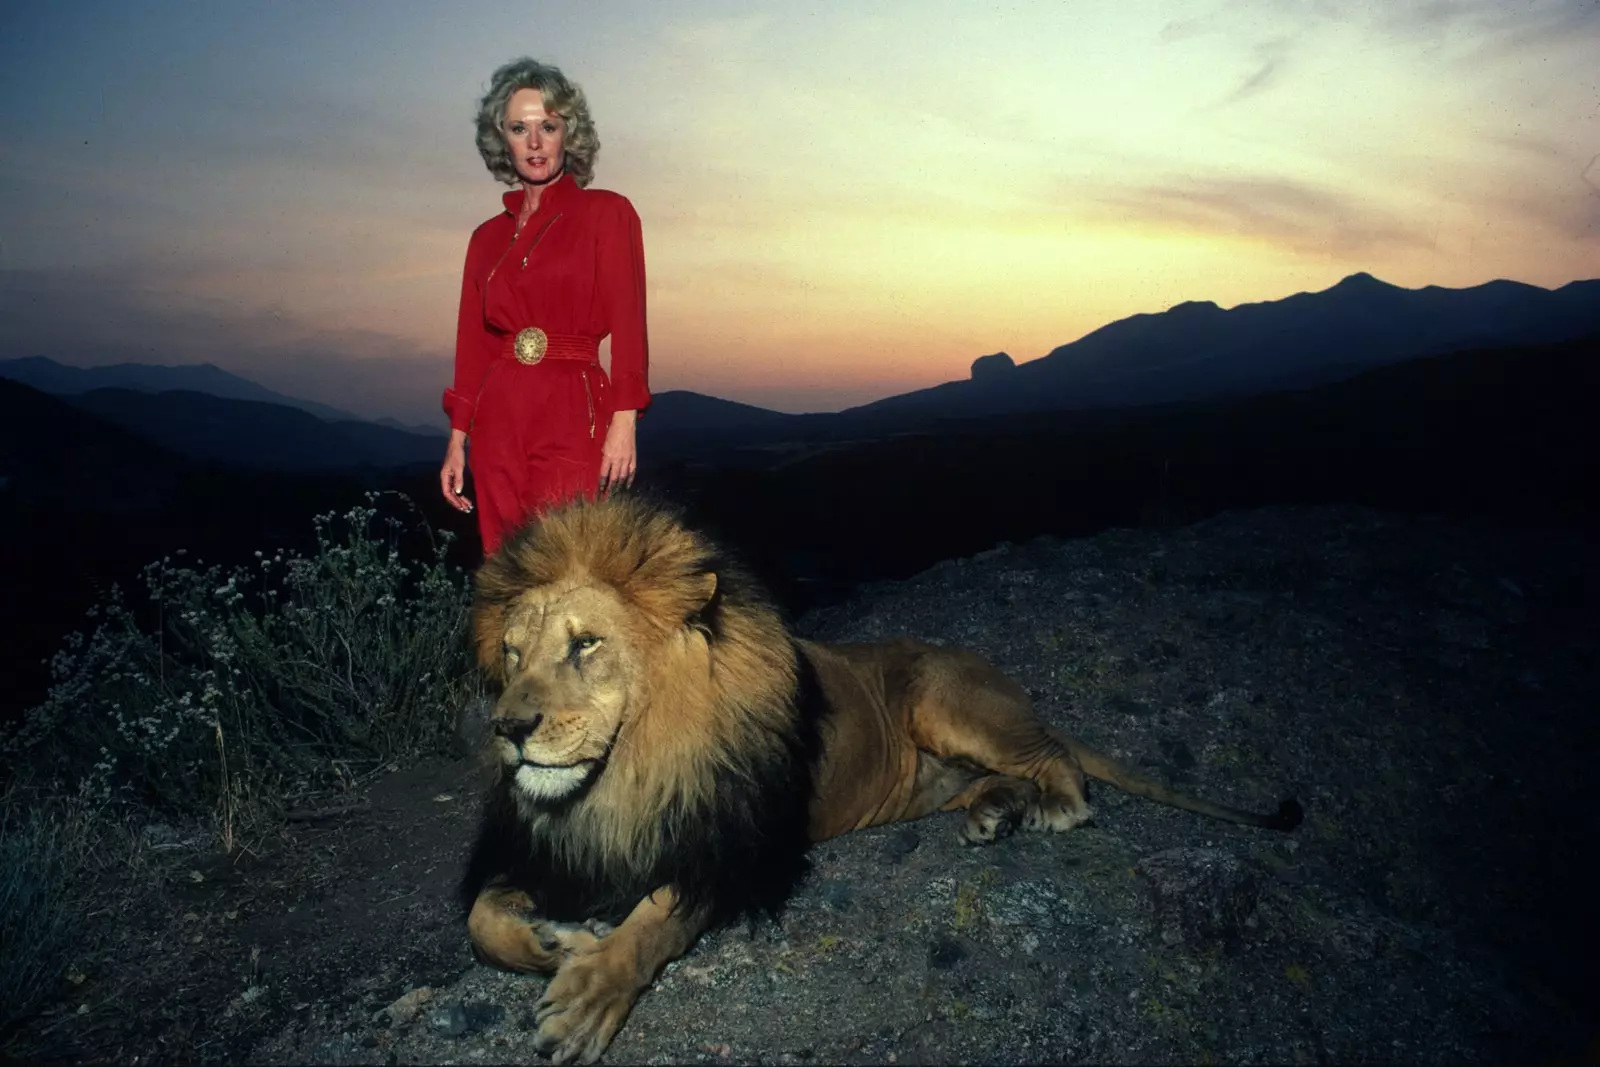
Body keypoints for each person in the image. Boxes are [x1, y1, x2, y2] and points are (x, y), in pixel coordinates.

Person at [438, 57, 651, 557]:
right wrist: (456, 439)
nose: (534, 143)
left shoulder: (608, 212)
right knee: (506, 569)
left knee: (570, 567)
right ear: (501, 140)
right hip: (497, 418)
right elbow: (473, 346)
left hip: (575, 408)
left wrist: (625, 422)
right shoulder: (485, 239)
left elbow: (630, 324)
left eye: (547, 126)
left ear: (567, 135)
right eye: (519, 128)